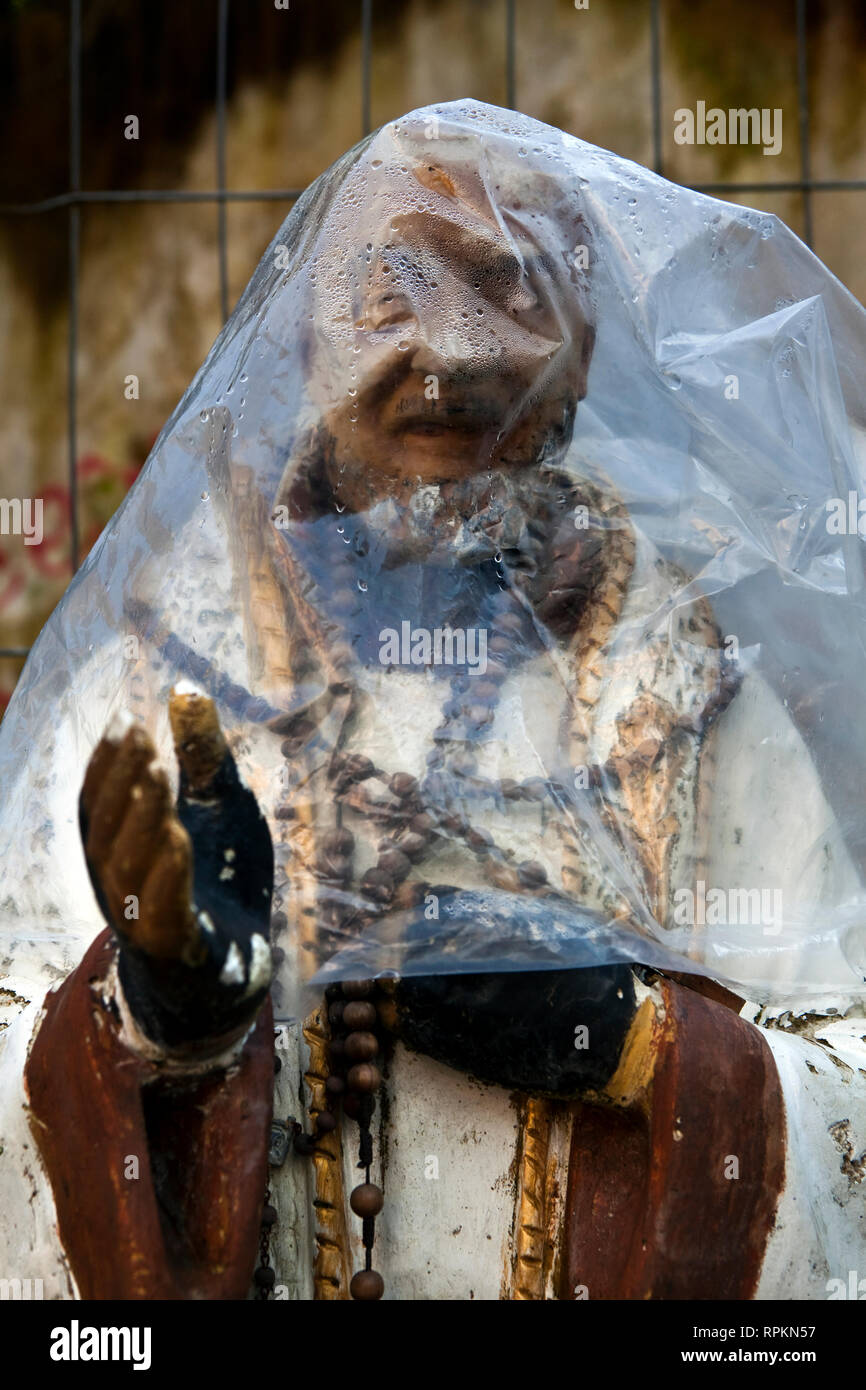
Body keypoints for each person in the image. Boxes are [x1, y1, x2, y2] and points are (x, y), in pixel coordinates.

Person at [2, 100, 865, 1301]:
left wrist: (626, 1039)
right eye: (390, 293)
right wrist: (160, 1013)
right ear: (305, 346)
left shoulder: (689, 698)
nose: (450, 354)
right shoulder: (158, 683)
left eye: (506, 293)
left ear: (580, 358)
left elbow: (846, 1094)